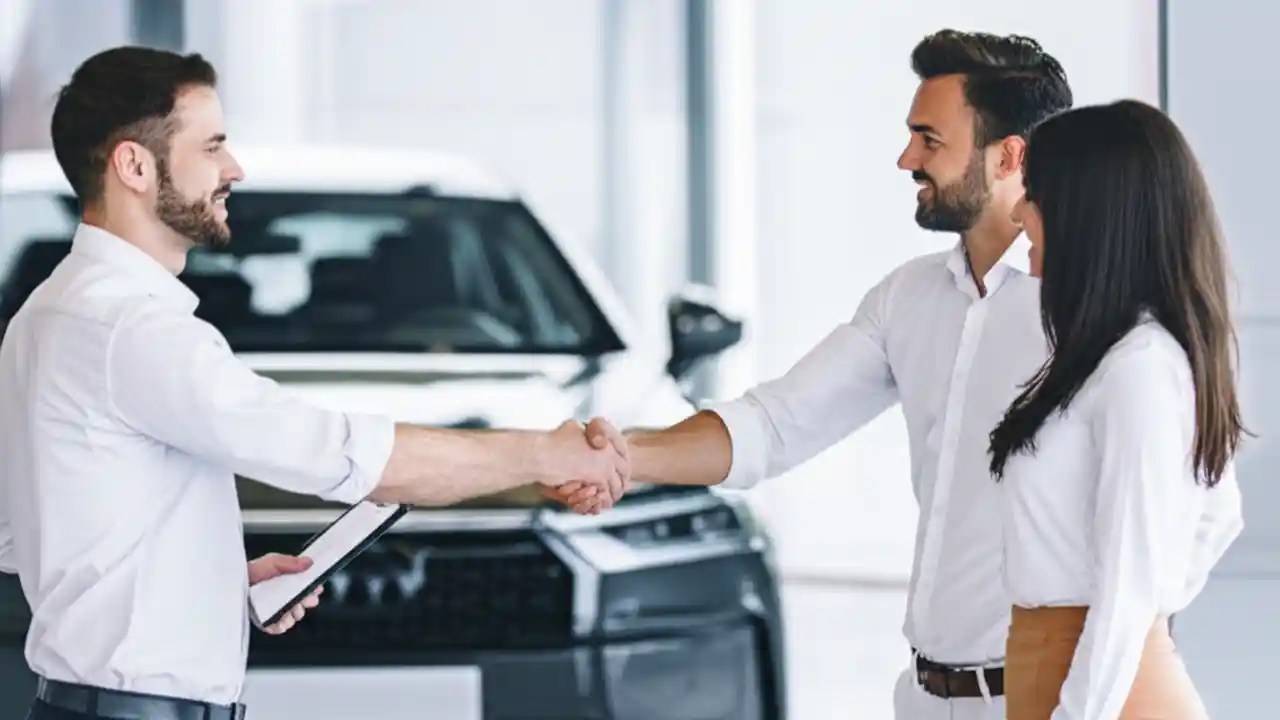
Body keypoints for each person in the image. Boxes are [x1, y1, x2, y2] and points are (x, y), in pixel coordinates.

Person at [0, 47, 627, 720]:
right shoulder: (132, 328)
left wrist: (212, 592)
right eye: (211, 146)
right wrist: (541, 453)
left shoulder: (47, 316)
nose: (233, 169)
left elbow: (33, 535)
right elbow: (341, 454)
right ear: (133, 165)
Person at [550, 29, 1072, 719]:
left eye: (930, 140)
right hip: (925, 697)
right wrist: (628, 458)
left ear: (1011, 155)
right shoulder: (908, 298)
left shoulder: (1085, 306)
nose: (905, 158)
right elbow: (775, 424)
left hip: (1044, 699)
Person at [988, 99, 1245, 719]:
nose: (1020, 214)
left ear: (1089, 215)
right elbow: (1219, 513)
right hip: (1062, 669)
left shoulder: (1140, 370)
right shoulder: (1106, 358)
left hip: (1103, 688)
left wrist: (1146, 609)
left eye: (1036, 195)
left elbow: (1130, 587)